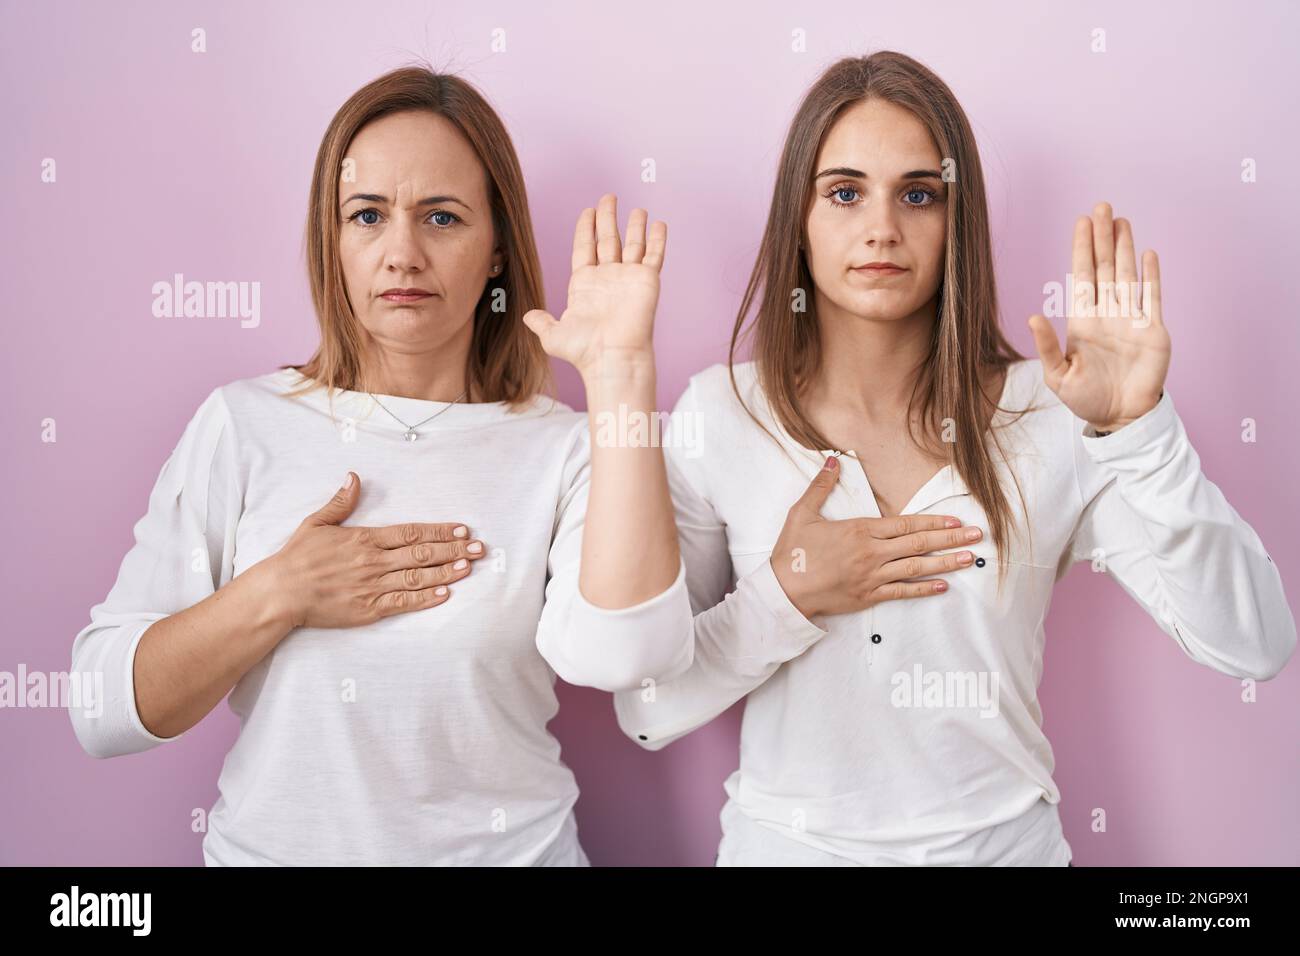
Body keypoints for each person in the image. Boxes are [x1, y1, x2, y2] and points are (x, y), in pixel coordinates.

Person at [613, 51, 1296, 866]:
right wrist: (788, 593)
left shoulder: (1054, 410)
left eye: (918, 194)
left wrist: (1140, 430)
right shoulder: (720, 415)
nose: (882, 229)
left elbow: (1254, 644)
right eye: (844, 192)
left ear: (955, 218)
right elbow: (648, 706)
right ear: (798, 217)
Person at [69, 66, 692, 866]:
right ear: (334, 242)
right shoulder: (244, 423)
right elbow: (99, 710)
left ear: (496, 250)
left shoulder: (566, 447)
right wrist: (281, 590)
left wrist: (620, 377)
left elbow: (624, 659)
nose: (403, 253)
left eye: (442, 217)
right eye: (368, 215)